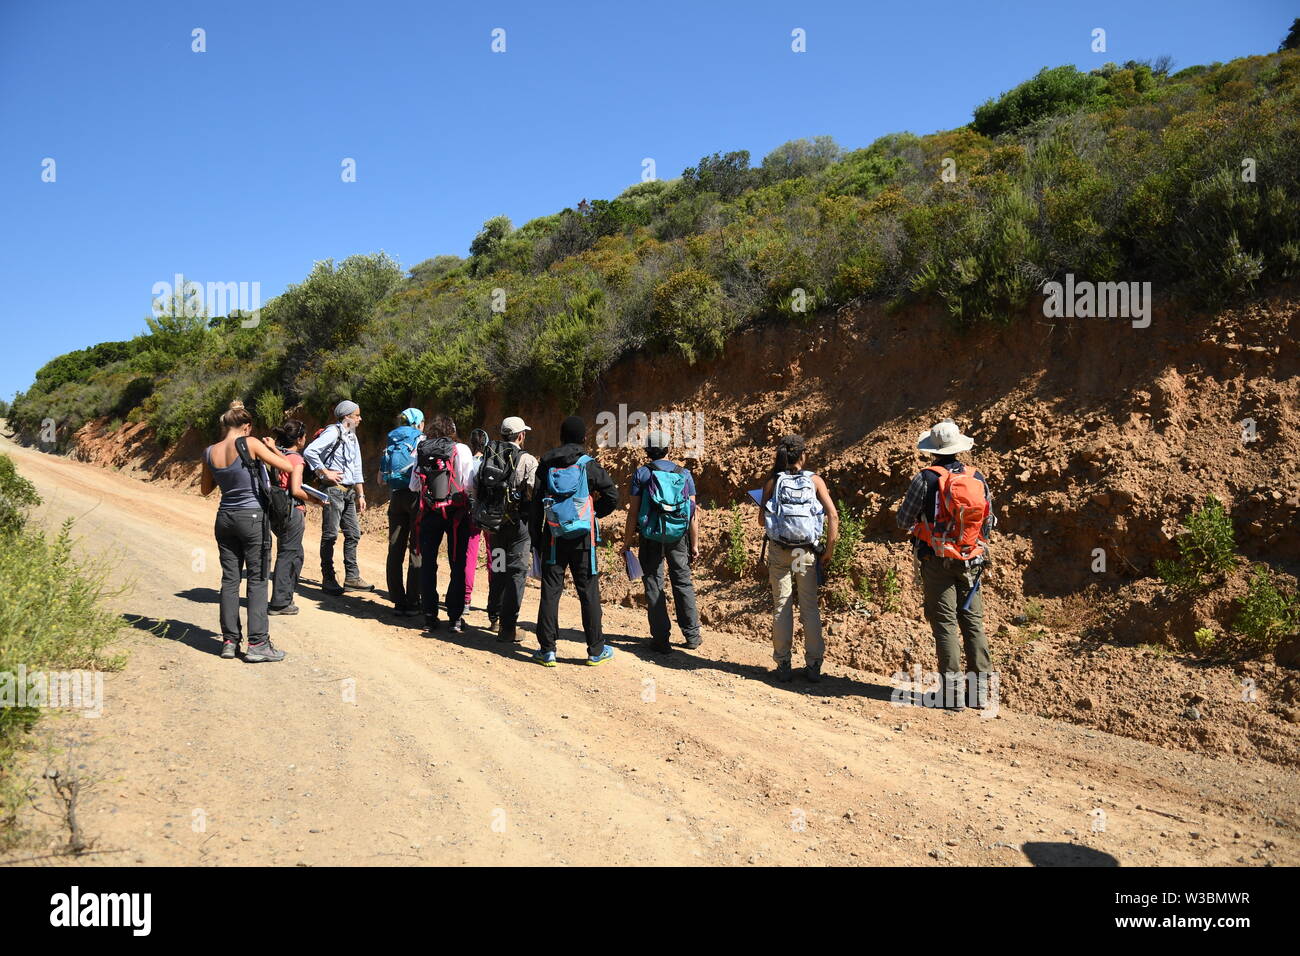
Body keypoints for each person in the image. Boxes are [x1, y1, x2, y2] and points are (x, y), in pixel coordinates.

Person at [895, 419, 995, 711]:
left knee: (945, 624)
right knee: (973, 623)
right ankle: (979, 694)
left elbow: (903, 519)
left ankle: (951, 696)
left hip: (937, 559)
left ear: (932, 450)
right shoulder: (977, 476)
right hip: (972, 559)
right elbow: (989, 521)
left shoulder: (925, 478)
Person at [199, 400, 296, 662]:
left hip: (224, 517)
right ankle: (258, 645)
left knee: (229, 580)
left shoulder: (210, 452)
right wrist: (271, 449)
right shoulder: (250, 442)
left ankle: (229, 641)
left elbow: (205, 490)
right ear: (246, 426)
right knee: (257, 579)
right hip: (252, 517)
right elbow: (288, 467)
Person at [529, 415, 619, 667]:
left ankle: (547, 650)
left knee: (550, 591)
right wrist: (592, 513)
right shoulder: (588, 464)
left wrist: (536, 538)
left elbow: (535, 504)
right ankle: (595, 650)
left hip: (554, 536)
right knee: (588, 591)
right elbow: (612, 495)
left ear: (561, 436)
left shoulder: (546, 463)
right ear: (582, 437)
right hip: (583, 537)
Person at [758, 434, 839, 683]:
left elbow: (762, 520)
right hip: (804, 552)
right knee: (809, 607)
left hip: (780, 550)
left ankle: (783, 664)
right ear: (803, 455)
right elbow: (833, 516)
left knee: (782, 604)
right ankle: (813, 665)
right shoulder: (814, 480)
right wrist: (829, 551)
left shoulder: (773, 481)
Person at [621, 429, 701, 654]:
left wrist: (627, 542)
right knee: (682, 582)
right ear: (669, 449)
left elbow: (633, 513)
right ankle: (692, 635)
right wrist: (694, 545)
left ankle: (661, 639)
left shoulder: (642, 474)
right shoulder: (683, 473)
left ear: (647, 451)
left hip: (650, 535)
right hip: (678, 536)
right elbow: (693, 513)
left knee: (654, 584)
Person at [411, 414, 476, 633]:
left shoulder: (422, 447)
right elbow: (469, 484)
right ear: (453, 430)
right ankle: (456, 617)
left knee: (428, 563)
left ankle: (429, 615)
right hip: (457, 514)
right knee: (457, 563)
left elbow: (413, 485)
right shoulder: (462, 450)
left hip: (430, 512)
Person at [477, 416, 538, 643]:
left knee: (499, 568)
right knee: (517, 572)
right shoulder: (528, 460)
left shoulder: (489, 455)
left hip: (494, 525)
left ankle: (494, 617)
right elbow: (532, 491)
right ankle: (508, 627)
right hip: (518, 527)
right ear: (521, 435)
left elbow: (477, 485)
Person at [304, 400, 371, 596]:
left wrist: (361, 493)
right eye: (357, 415)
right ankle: (328, 577)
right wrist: (325, 472)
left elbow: (356, 467)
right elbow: (309, 451)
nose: (360, 418)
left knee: (353, 534)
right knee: (330, 535)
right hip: (333, 490)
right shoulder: (333, 432)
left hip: (349, 492)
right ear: (347, 416)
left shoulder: (352, 436)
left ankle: (352, 577)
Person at [266, 418, 324, 614]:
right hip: (292, 510)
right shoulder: (296, 460)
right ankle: (280, 602)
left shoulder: (276, 453)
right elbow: (296, 490)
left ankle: (285, 597)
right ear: (299, 439)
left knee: (293, 552)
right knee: (289, 554)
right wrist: (316, 500)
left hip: (276, 509)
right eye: (305, 436)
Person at [382, 408, 425, 616]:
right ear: (419, 422)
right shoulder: (420, 438)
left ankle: (398, 601)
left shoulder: (391, 437)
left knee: (395, 547)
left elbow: (381, 477)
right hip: (415, 497)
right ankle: (413, 601)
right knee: (416, 548)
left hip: (396, 496)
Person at [461, 427, 490, 612]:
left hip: (470, 512)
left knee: (469, 556)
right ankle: (495, 599)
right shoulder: (491, 462)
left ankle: (465, 599)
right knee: (493, 554)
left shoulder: (468, 461)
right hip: (489, 513)